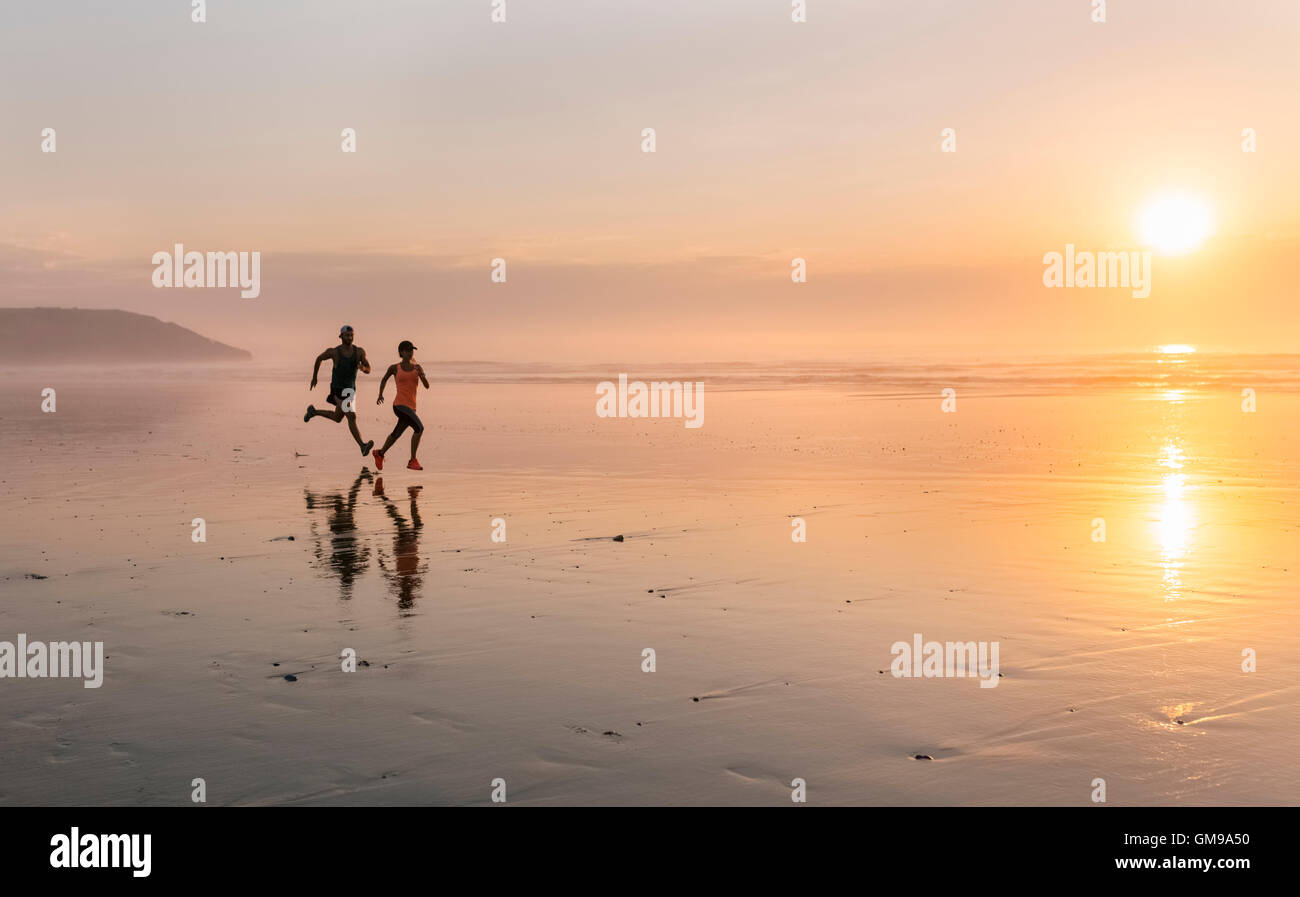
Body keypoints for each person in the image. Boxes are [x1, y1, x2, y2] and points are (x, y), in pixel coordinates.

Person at [304, 325, 374, 457]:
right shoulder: (334, 352)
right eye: (347, 335)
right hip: (337, 388)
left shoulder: (359, 352)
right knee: (351, 416)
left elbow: (369, 368)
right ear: (341, 337)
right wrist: (314, 377)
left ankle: (313, 412)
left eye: (351, 335)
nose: (349, 337)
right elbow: (319, 358)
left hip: (350, 390)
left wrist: (363, 368)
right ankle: (362, 446)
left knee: (337, 418)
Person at [372, 340, 429, 471]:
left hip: (411, 407)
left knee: (396, 434)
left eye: (412, 350)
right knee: (419, 428)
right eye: (407, 350)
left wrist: (422, 374)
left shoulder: (417, 368)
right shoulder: (394, 367)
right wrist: (380, 394)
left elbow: (427, 386)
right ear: (401, 352)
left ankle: (379, 453)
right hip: (399, 405)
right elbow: (384, 379)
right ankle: (412, 460)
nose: (410, 353)